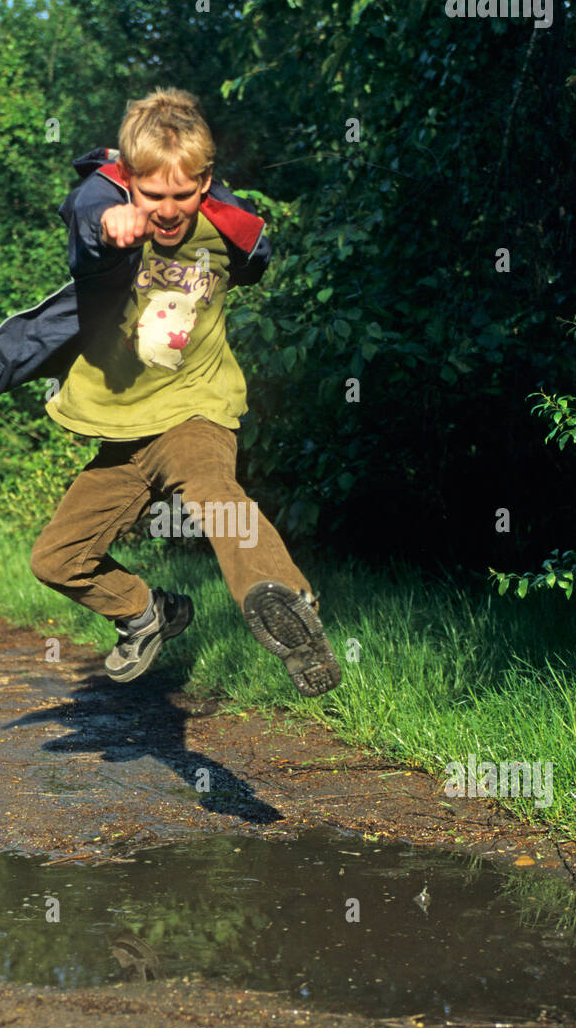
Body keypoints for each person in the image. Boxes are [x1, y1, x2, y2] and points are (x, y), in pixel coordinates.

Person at [25, 87, 342, 696]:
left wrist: (228, 214)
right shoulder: (109, 230)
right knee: (56, 559)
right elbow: (82, 227)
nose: (167, 210)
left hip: (195, 415)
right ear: (126, 182)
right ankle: (149, 613)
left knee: (213, 492)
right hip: (123, 437)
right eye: (151, 196)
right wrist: (105, 220)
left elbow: (257, 247)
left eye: (182, 195)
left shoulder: (221, 229)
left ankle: (290, 606)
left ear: (204, 186)